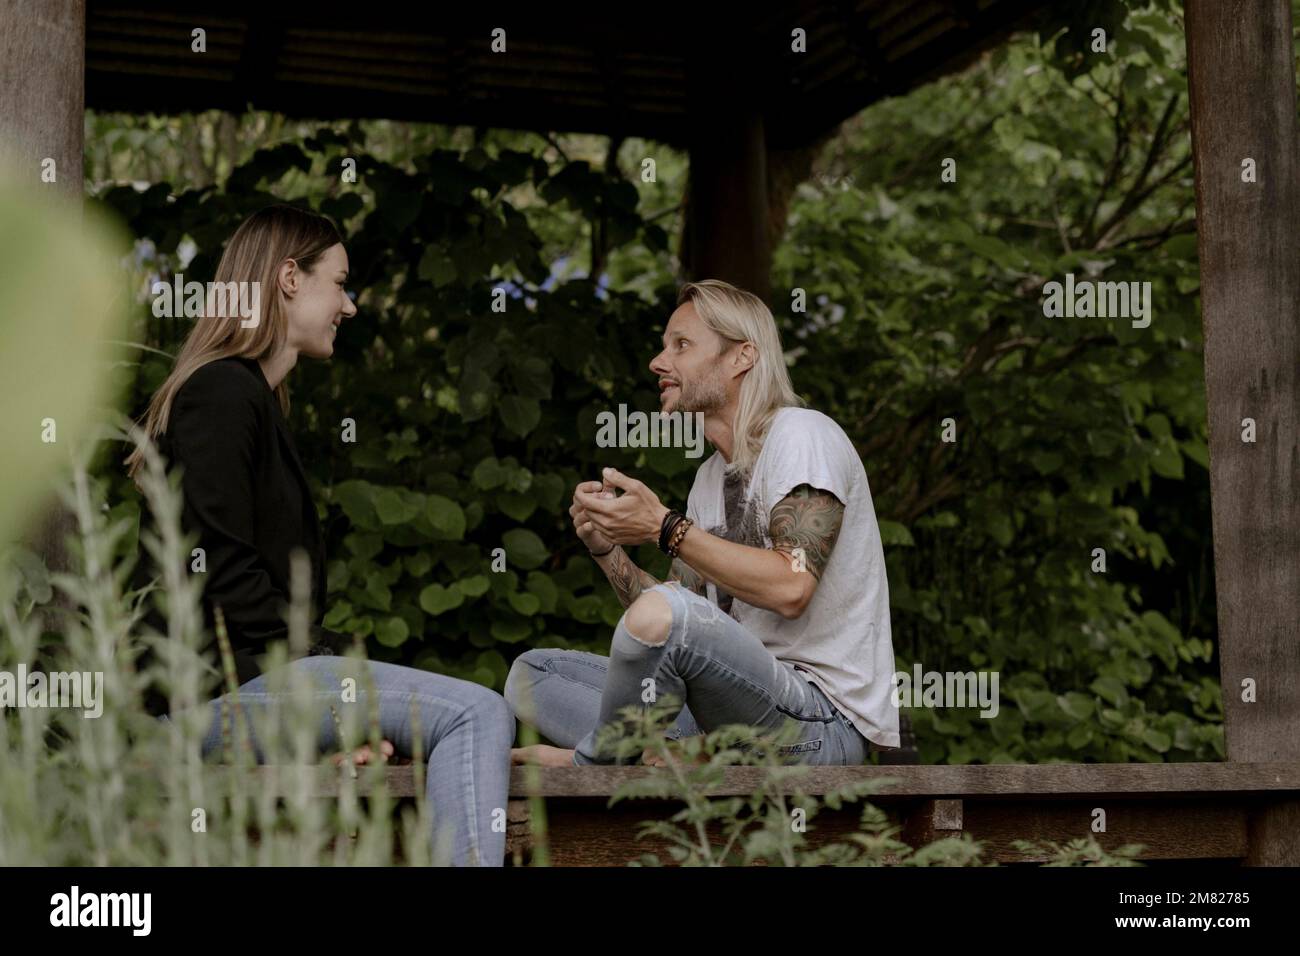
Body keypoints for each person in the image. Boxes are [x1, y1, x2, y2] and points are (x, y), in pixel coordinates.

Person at [128, 204, 513, 866]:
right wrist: (332, 684)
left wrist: (336, 707)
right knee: (474, 713)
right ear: (288, 279)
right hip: (199, 702)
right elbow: (221, 576)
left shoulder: (247, 396)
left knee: (431, 719)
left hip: (240, 689)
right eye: (339, 283)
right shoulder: (220, 393)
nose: (349, 305)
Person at [506, 279, 900, 767]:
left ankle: (594, 764)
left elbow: (791, 588)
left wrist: (663, 526)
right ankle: (674, 754)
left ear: (741, 357)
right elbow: (663, 625)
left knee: (670, 614)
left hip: (818, 726)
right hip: (726, 715)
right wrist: (607, 550)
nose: (658, 362)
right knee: (533, 673)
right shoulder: (710, 478)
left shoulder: (802, 435)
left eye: (681, 345)